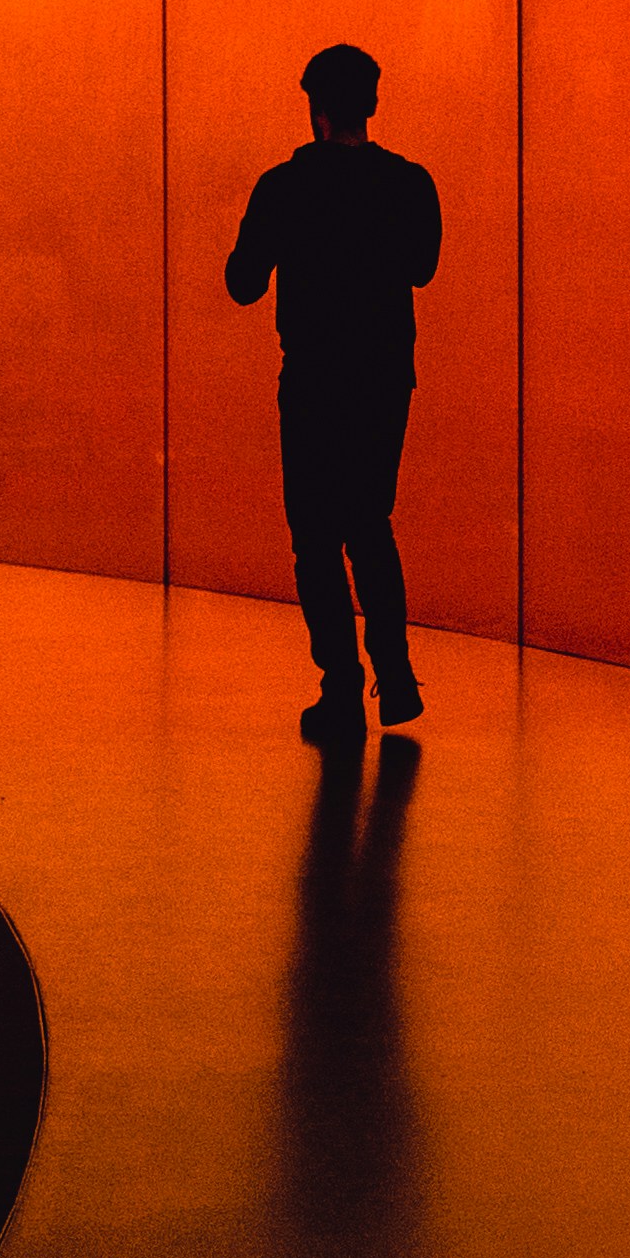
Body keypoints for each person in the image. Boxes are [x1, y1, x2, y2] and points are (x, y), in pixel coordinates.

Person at [222, 44, 442, 740]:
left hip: (313, 379)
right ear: (371, 104)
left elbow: (243, 283)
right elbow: (424, 267)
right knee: (370, 522)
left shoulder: (284, 187)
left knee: (315, 537)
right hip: (384, 378)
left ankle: (341, 689)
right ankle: (395, 675)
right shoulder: (409, 184)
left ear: (313, 106)